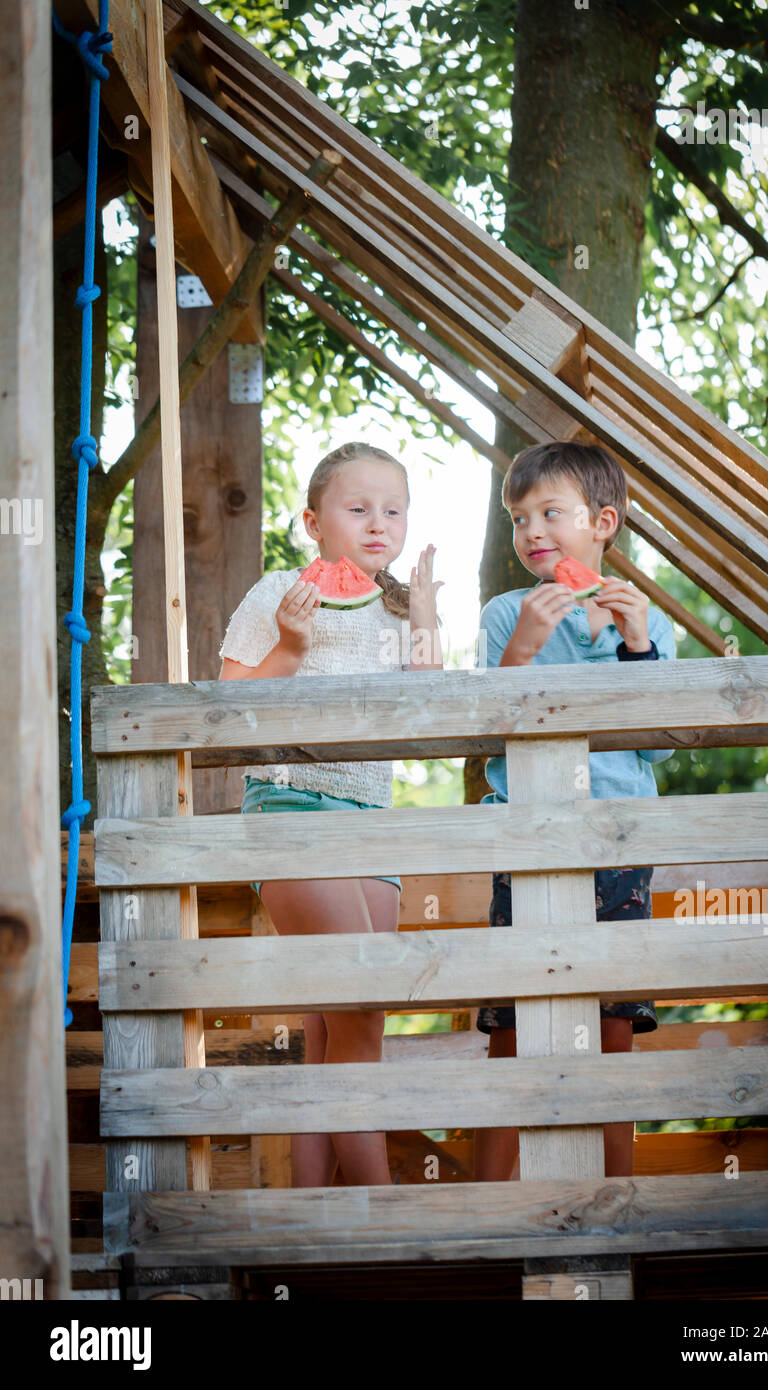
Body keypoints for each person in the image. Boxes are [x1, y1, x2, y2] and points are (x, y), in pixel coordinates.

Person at [218, 441, 443, 1187]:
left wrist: (429, 612)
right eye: (358, 508)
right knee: (364, 1014)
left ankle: (312, 1218)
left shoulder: (400, 606)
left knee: (329, 1027)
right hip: (290, 804)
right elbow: (227, 698)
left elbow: (428, 707)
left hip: (370, 824)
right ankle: (383, 1218)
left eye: (393, 508)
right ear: (314, 522)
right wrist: (290, 645)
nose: (379, 522)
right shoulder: (281, 590)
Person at [472, 440, 677, 1183]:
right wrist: (524, 646)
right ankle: (491, 1209)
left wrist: (638, 645)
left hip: (618, 844)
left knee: (612, 1032)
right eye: (519, 518)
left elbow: (657, 753)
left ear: (602, 523)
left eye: (549, 513)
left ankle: (610, 1202)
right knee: (514, 1029)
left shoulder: (648, 624)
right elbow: (491, 730)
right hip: (525, 840)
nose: (532, 532)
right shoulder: (505, 614)